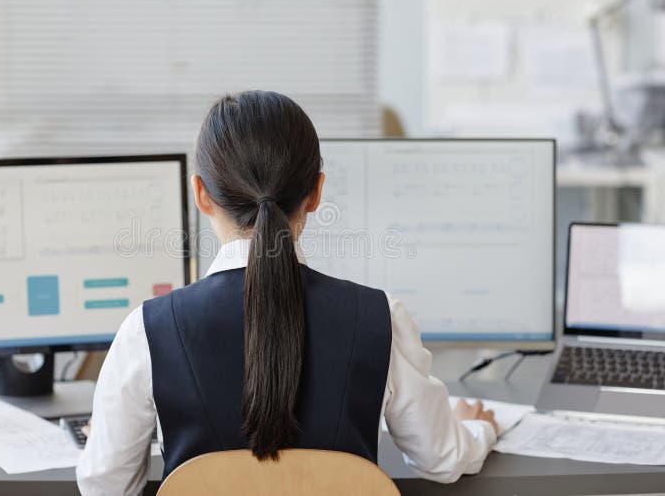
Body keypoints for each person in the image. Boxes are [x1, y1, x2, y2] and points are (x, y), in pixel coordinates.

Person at [77, 90, 497, 495]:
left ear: (201, 194)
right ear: (315, 193)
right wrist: (477, 429)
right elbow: (442, 461)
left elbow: (105, 485)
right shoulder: (380, 318)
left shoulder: (147, 331)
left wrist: (105, 437)